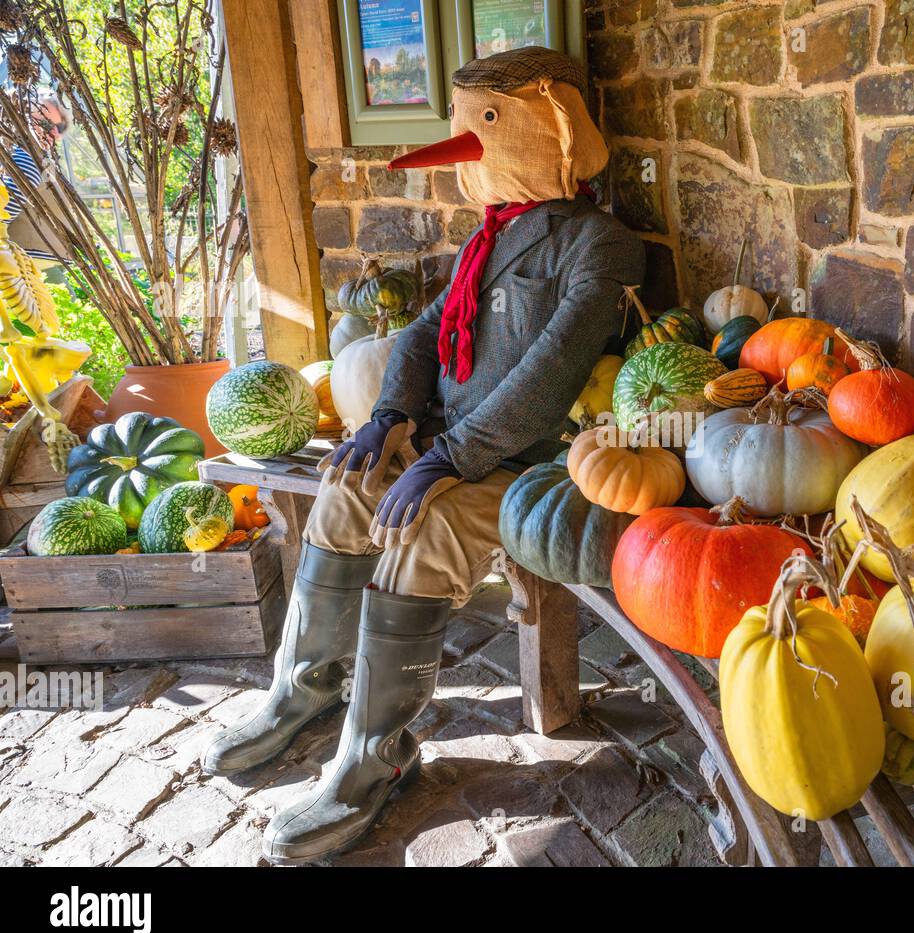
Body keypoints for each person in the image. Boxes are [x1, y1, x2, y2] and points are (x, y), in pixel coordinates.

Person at [201, 47, 645, 865]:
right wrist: (392, 417)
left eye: (481, 125)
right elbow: (417, 332)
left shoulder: (596, 245)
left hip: (531, 460)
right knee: (348, 487)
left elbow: (551, 375)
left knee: (422, 531)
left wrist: (450, 459)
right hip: (445, 438)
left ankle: (376, 759)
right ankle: (305, 695)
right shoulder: (491, 238)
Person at [5, 96, 72, 277]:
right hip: (41, 261)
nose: (55, 133)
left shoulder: (28, 154)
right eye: (45, 123)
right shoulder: (30, 153)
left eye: (59, 127)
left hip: (29, 261)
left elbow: (11, 199)